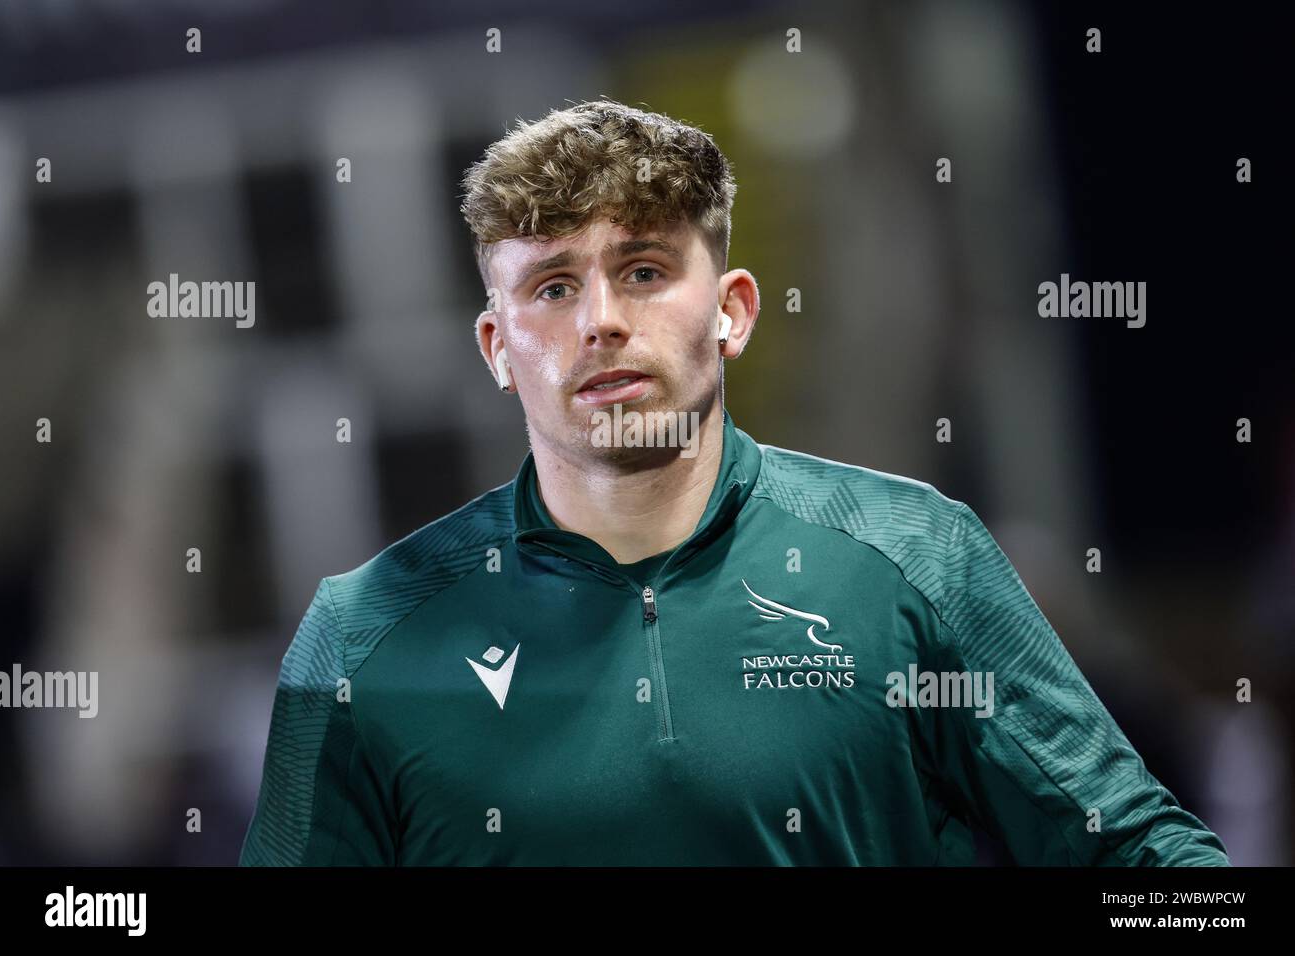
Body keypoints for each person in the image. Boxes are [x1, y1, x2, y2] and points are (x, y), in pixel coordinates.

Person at [239, 99, 1229, 865]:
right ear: (498, 348)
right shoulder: (361, 639)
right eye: (552, 286)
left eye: (641, 269)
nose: (599, 321)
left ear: (732, 311)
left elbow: (1135, 852)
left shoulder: (916, 556)